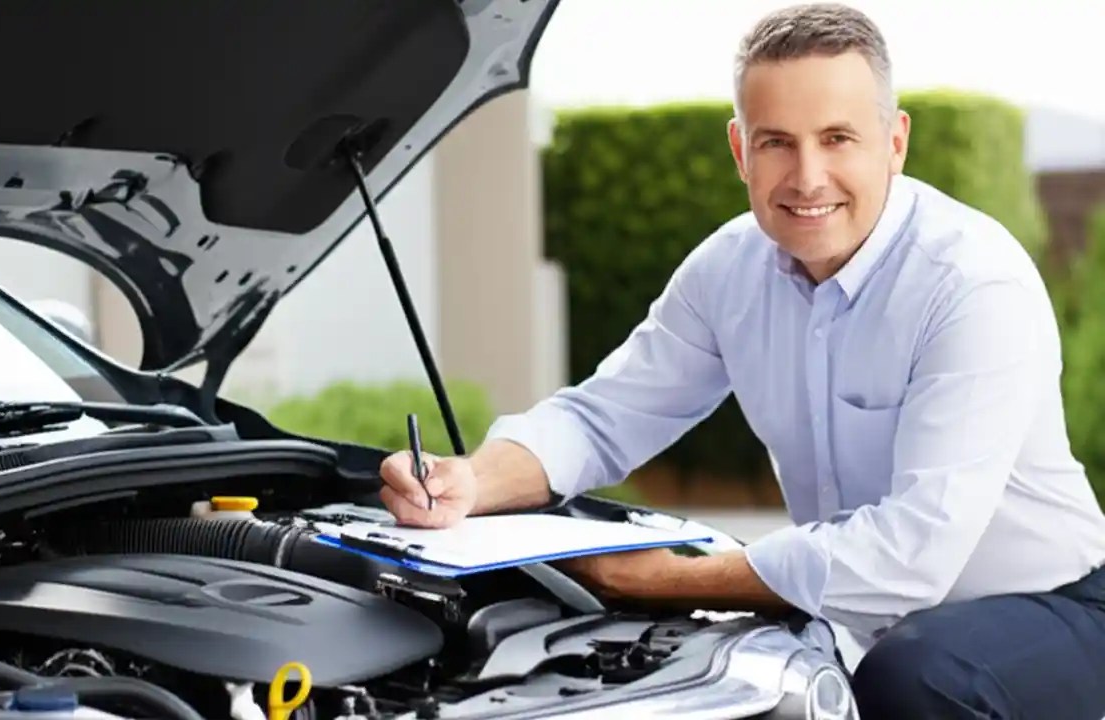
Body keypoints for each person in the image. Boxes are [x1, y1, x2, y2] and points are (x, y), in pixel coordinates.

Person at [378, 2, 1105, 718]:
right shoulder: (727, 270)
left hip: (1055, 610)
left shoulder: (972, 283)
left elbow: (912, 554)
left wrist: (665, 580)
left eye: (838, 137)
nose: (808, 177)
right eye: (777, 142)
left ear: (895, 141)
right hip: (863, 617)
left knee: (916, 674)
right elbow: (603, 419)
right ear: (739, 150)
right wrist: (470, 480)